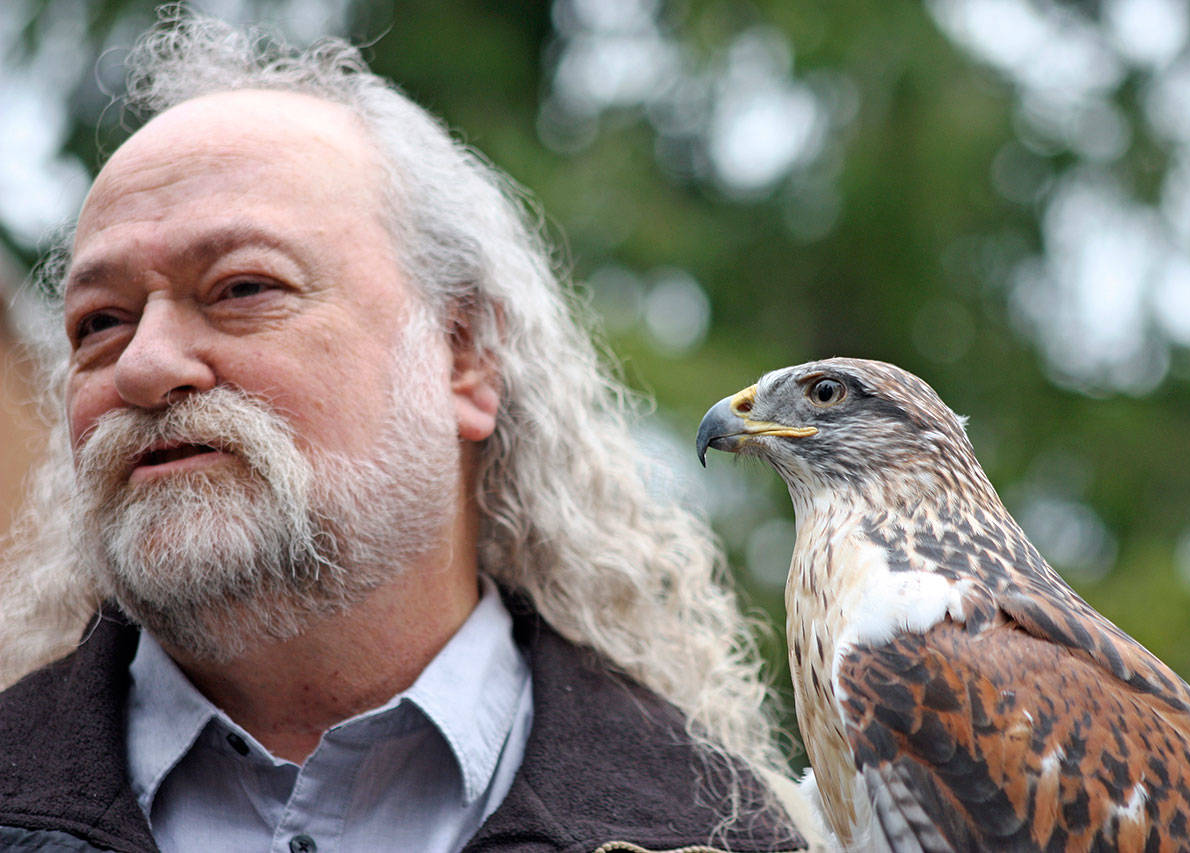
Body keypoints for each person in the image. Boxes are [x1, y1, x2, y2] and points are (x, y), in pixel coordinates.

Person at [0, 10, 808, 852]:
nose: (142, 364)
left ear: (464, 355)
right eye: (98, 323)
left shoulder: (725, 832)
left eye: (242, 287)